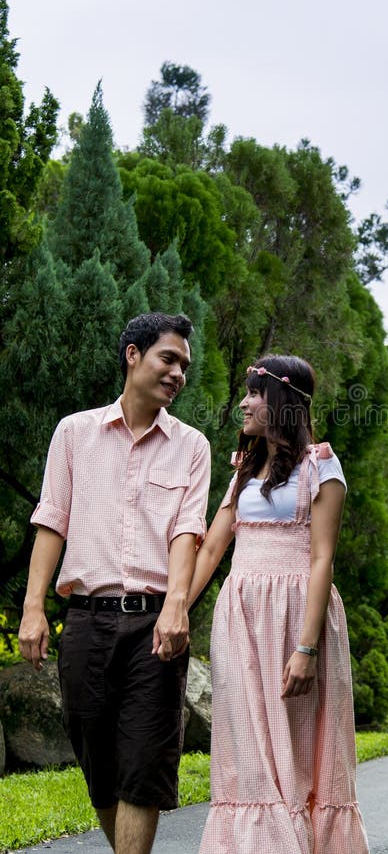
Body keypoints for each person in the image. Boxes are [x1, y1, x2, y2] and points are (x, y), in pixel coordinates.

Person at [18, 312, 211, 854]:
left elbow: (187, 531)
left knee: (144, 766)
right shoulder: (74, 433)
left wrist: (177, 605)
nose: (178, 373)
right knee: (98, 763)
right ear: (133, 355)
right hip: (85, 619)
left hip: (155, 624)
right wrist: (34, 607)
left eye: (184, 366)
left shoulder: (192, 445)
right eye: (167, 359)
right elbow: (52, 519)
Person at [188, 354, 370, 853]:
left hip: (297, 618)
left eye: (254, 394)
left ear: (282, 401)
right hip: (241, 617)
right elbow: (212, 546)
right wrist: (176, 608)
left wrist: (306, 648)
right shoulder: (244, 468)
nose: (243, 403)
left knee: (296, 753)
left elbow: (322, 559)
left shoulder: (322, 466)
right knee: (247, 750)